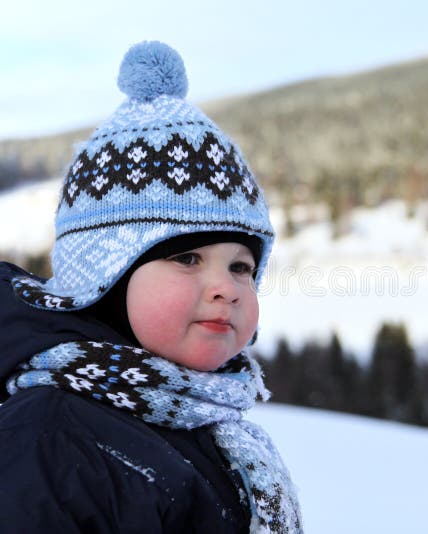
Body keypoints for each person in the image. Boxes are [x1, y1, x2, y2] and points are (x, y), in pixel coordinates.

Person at [0, 41, 303, 533]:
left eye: (242, 267)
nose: (226, 288)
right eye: (187, 257)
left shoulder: (207, 425)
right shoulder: (52, 437)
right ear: (105, 277)